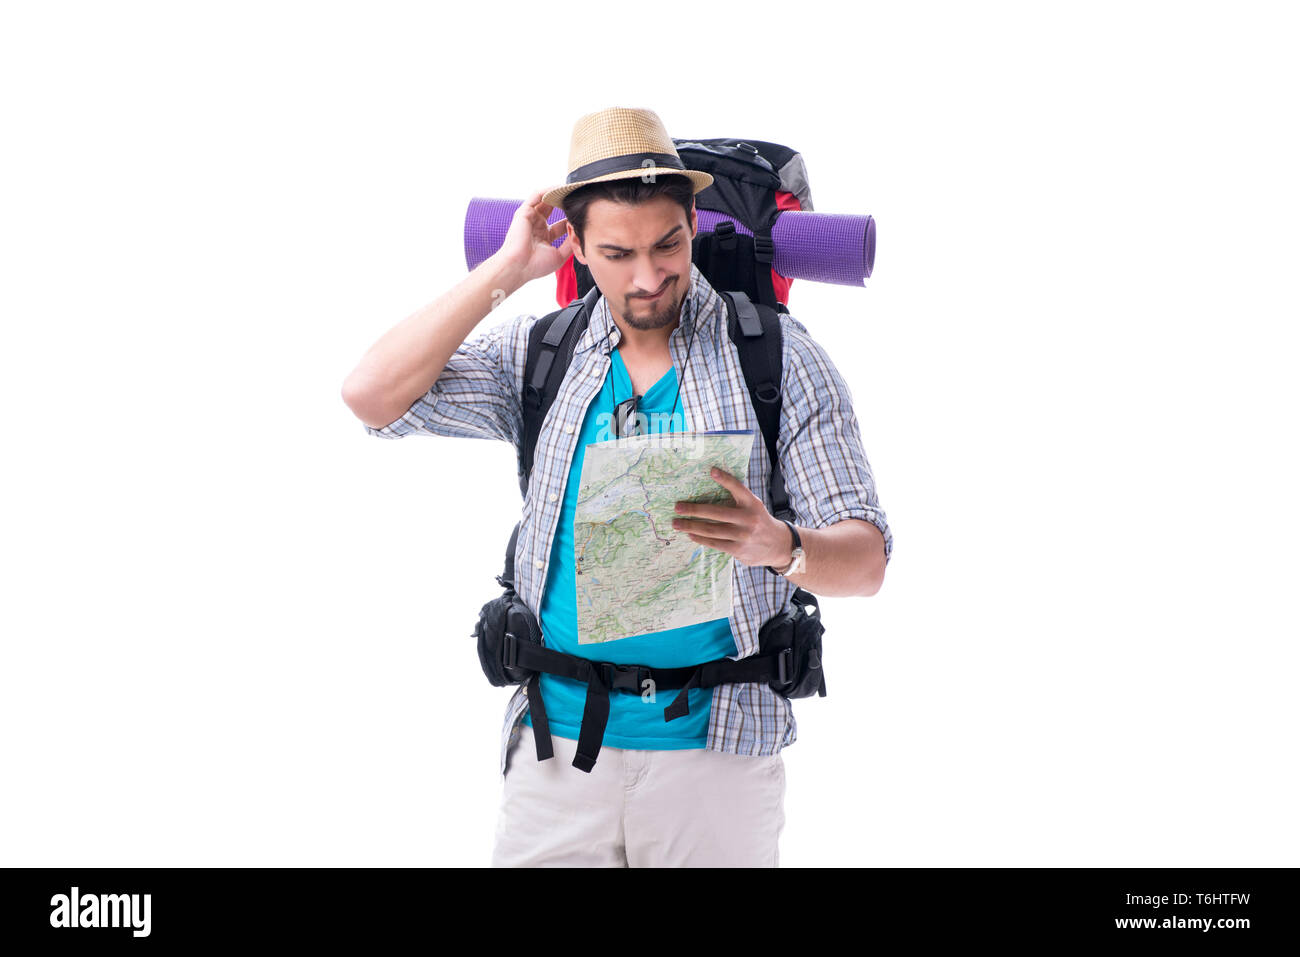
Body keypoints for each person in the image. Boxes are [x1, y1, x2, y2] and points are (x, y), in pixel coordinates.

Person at [342, 107, 892, 867]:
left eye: (668, 243)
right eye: (617, 252)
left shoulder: (777, 357)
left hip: (719, 758)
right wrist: (504, 272)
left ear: (694, 224)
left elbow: (865, 561)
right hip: (558, 755)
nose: (648, 275)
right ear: (575, 245)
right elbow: (372, 395)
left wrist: (782, 545)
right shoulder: (543, 351)